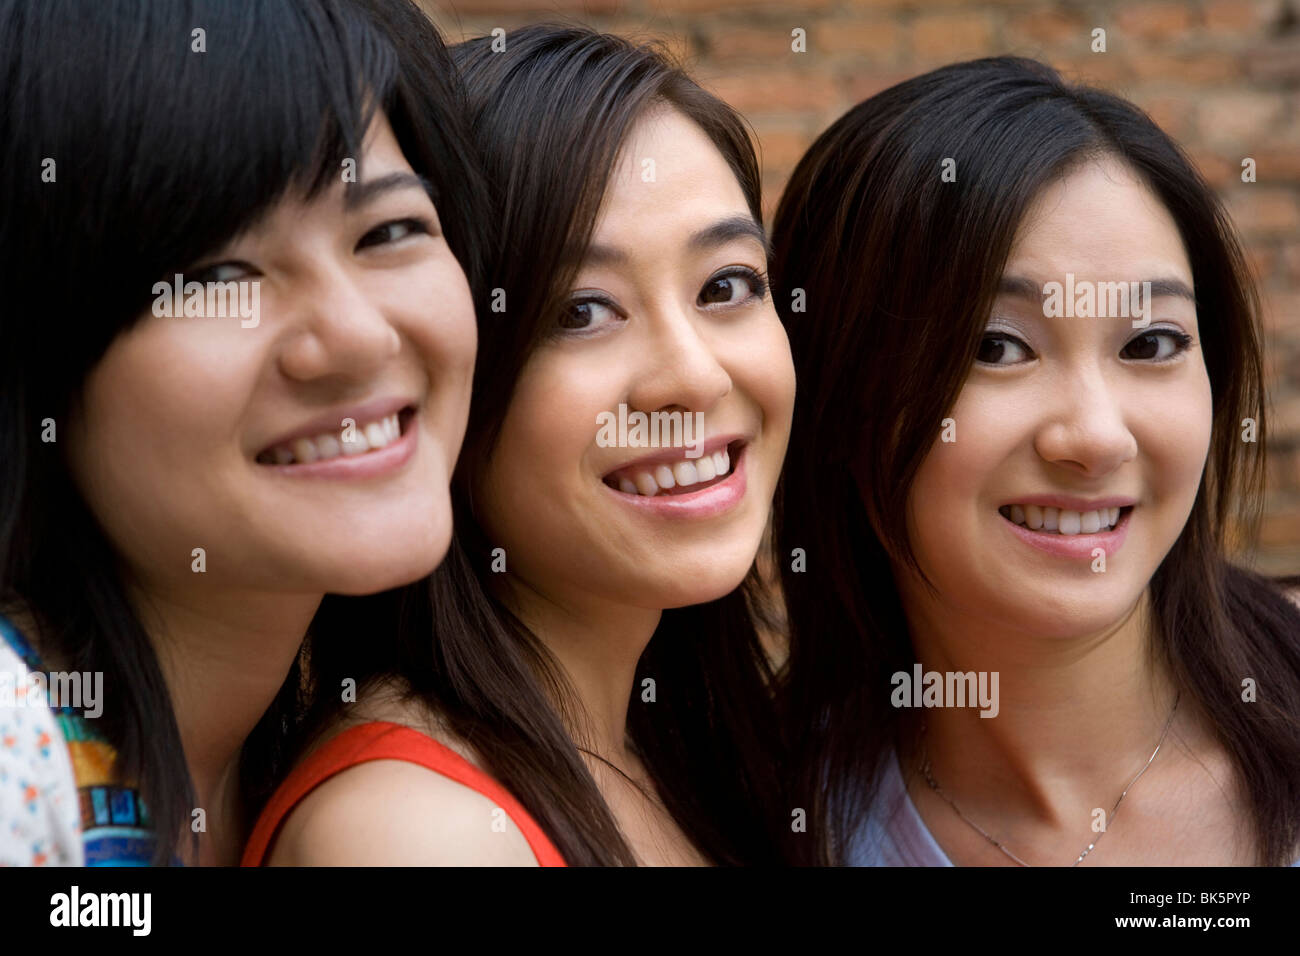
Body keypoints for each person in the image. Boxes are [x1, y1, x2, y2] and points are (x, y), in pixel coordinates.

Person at [246, 26, 800, 867]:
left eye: (726, 286)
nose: (693, 376)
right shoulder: (417, 834)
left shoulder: (692, 749)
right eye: (580, 311)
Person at [771, 57, 1300, 866]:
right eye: (997, 347)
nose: (1094, 437)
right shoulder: (759, 825)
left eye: (1151, 343)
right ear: (840, 392)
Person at [0, 0, 486, 865]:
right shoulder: (16, 767)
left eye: (390, 230)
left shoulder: (314, 760)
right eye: (218, 272)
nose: (359, 335)